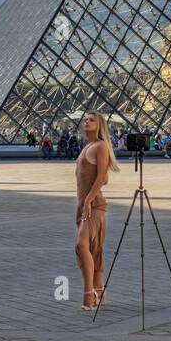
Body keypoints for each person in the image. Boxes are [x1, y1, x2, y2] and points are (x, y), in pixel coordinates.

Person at [75, 112, 118, 312]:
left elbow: (101, 176)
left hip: (93, 204)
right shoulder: (87, 147)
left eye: (92, 119)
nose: (87, 121)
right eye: (86, 119)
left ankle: (89, 294)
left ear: (100, 125)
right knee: (93, 250)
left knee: (81, 246)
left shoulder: (101, 146)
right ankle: (100, 292)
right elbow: (104, 177)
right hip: (84, 204)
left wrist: (89, 200)